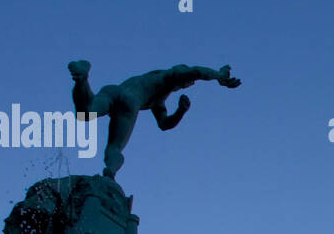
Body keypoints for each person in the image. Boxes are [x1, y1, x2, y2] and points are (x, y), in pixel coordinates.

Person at [69, 60, 241, 177]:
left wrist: (181, 111)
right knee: (114, 149)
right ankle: (110, 176)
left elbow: (164, 124)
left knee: (85, 113)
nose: (183, 86)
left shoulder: (159, 97)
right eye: (184, 84)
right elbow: (196, 71)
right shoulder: (169, 76)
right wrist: (220, 76)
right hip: (131, 101)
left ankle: (82, 80)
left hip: (113, 90)